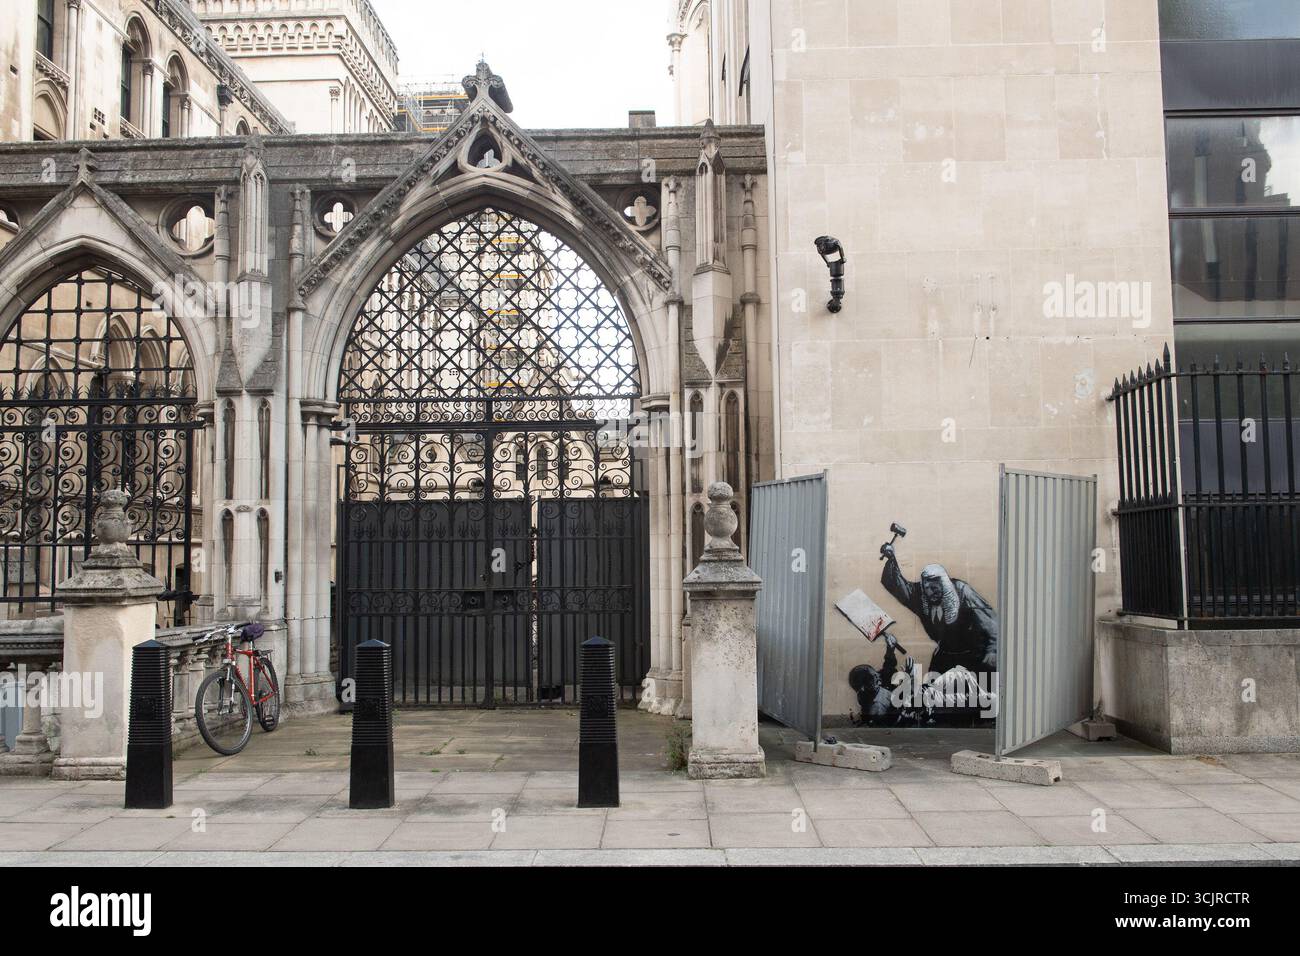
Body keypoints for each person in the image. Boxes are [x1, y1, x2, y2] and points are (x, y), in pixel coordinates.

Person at [879, 544, 998, 675]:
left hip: (973, 658)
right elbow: (897, 585)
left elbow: (991, 623)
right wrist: (891, 558)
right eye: (928, 588)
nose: (931, 593)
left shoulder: (962, 591)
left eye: (935, 589)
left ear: (944, 584)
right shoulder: (921, 595)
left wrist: (993, 651)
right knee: (932, 691)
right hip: (945, 657)